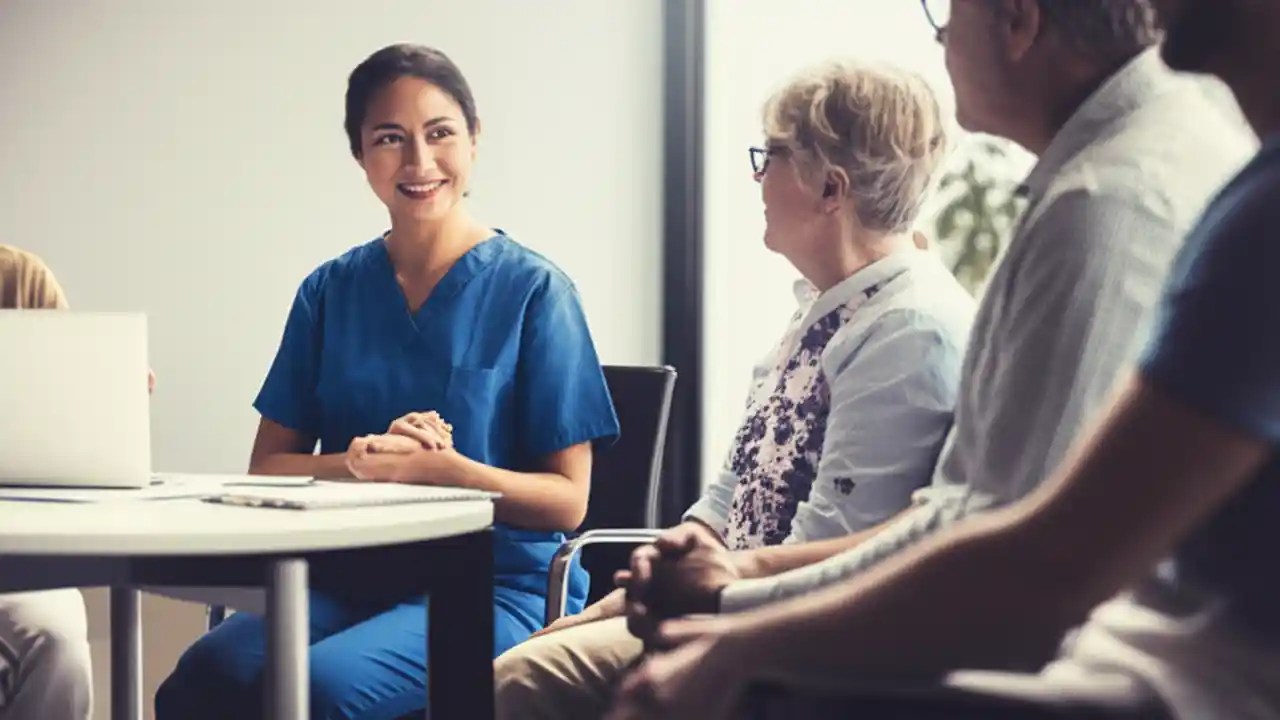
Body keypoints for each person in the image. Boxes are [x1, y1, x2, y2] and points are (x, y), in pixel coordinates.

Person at [607, 0, 1280, 717]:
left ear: (1018, 22)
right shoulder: (1166, 172)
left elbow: (1036, 574)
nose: (940, 34)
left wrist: (737, 625)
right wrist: (740, 587)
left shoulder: (1111, 200)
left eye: (947, 8)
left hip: (1161, 683)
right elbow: (975, 518)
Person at [494, 60, 978, 719]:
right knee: (526, 660)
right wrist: (624, 595)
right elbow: (729, 500)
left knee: (517, 680)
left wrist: (685, 608)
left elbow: (830, 554)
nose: (757, 176)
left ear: (830, 188)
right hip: (725, 600)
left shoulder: (908, 331)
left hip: (776, 629)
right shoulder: (826, 310)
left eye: (771, 156)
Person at [153, 44, 619, 720]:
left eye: (440, 133)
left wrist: (445, 472)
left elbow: (567, 502)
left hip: (489, 586)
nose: (419, 161)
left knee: (321, 691)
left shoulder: (536, 292)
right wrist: (361, 463)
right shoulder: (329, 291)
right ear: (360, 155)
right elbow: (269, 467)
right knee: (207, 676)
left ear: (475, 139)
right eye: (390, 139)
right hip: (347, 574)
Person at [0, 246, 93, 720]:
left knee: (56, 637)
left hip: (15, 561)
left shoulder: (21, 279)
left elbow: (72, 438)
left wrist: (104, 398)